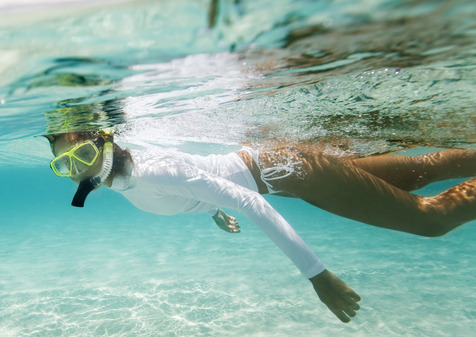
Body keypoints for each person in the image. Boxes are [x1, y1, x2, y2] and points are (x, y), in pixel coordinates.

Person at [45, 130, 476, 323]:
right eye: (62, 165)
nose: (74, 174)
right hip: (282, 168)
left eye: (80, 156)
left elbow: (245, 197)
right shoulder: (127, 176)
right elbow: (203, 178)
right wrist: (213, 210)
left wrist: (318, 276)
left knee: (431, 219)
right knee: (418, 170)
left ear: (106, 139)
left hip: (290, 173)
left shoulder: (149, 171)